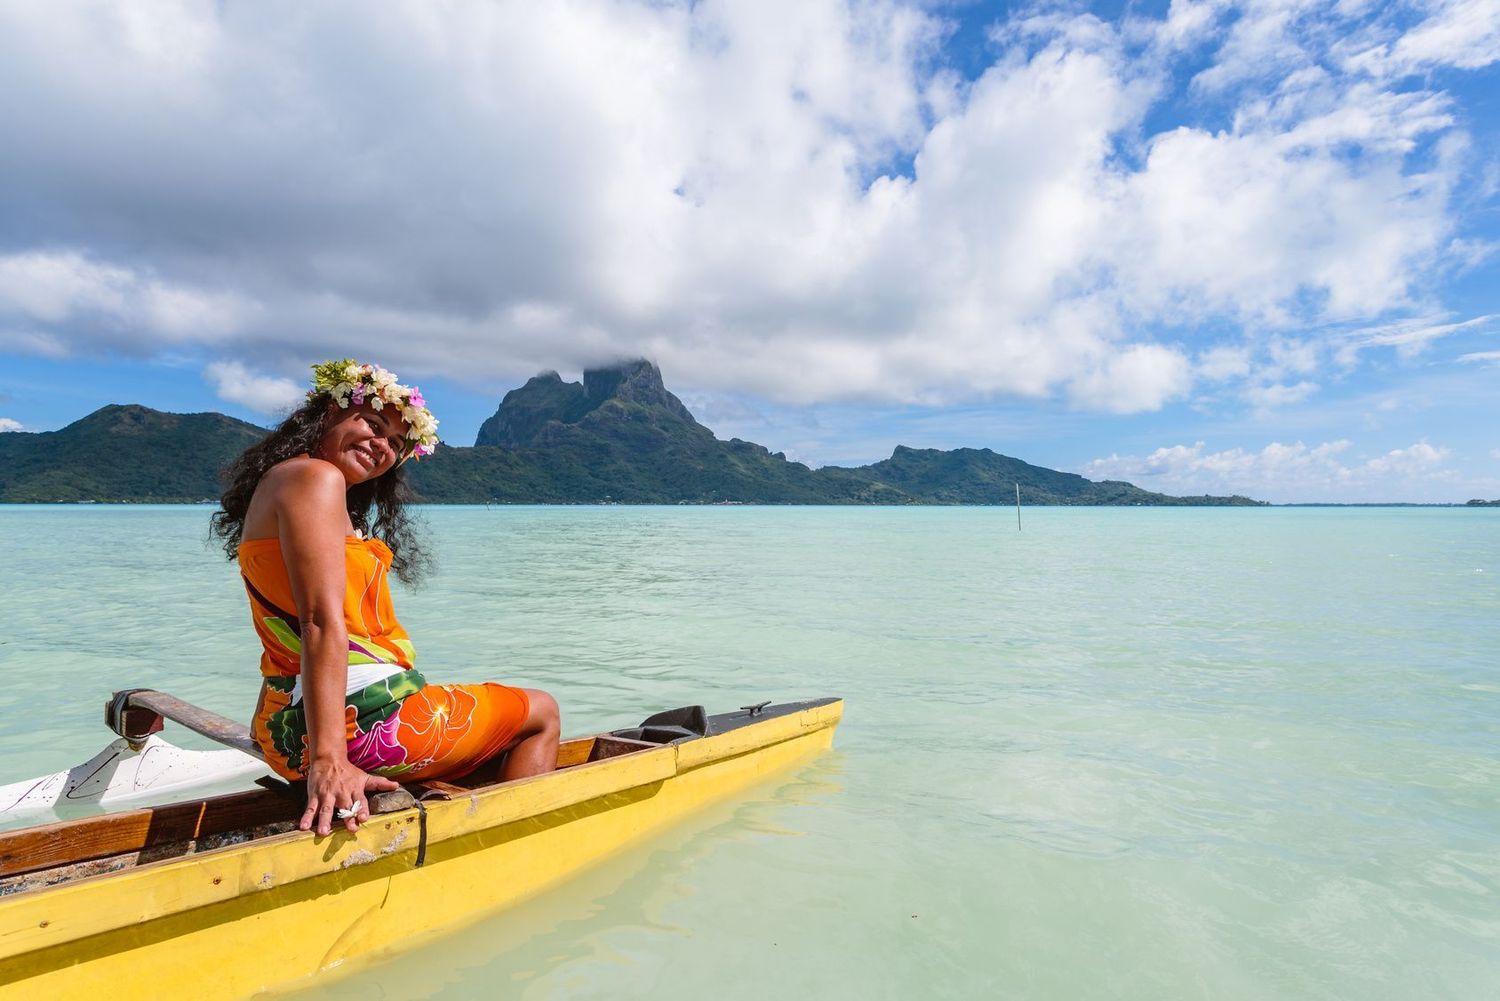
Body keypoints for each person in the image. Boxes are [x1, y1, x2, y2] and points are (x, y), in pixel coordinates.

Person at [211, 359, 559, 837]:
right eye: (372, 425)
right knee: (540, 711)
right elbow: (318, 623)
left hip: (286, 732)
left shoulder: (292, 483)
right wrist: (330, 760)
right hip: (365, 729)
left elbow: (287, 629)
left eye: (396, 443)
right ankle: (514, 846)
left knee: (482, 717)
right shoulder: (316, 477)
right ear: (329, 414)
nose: (381, 446)